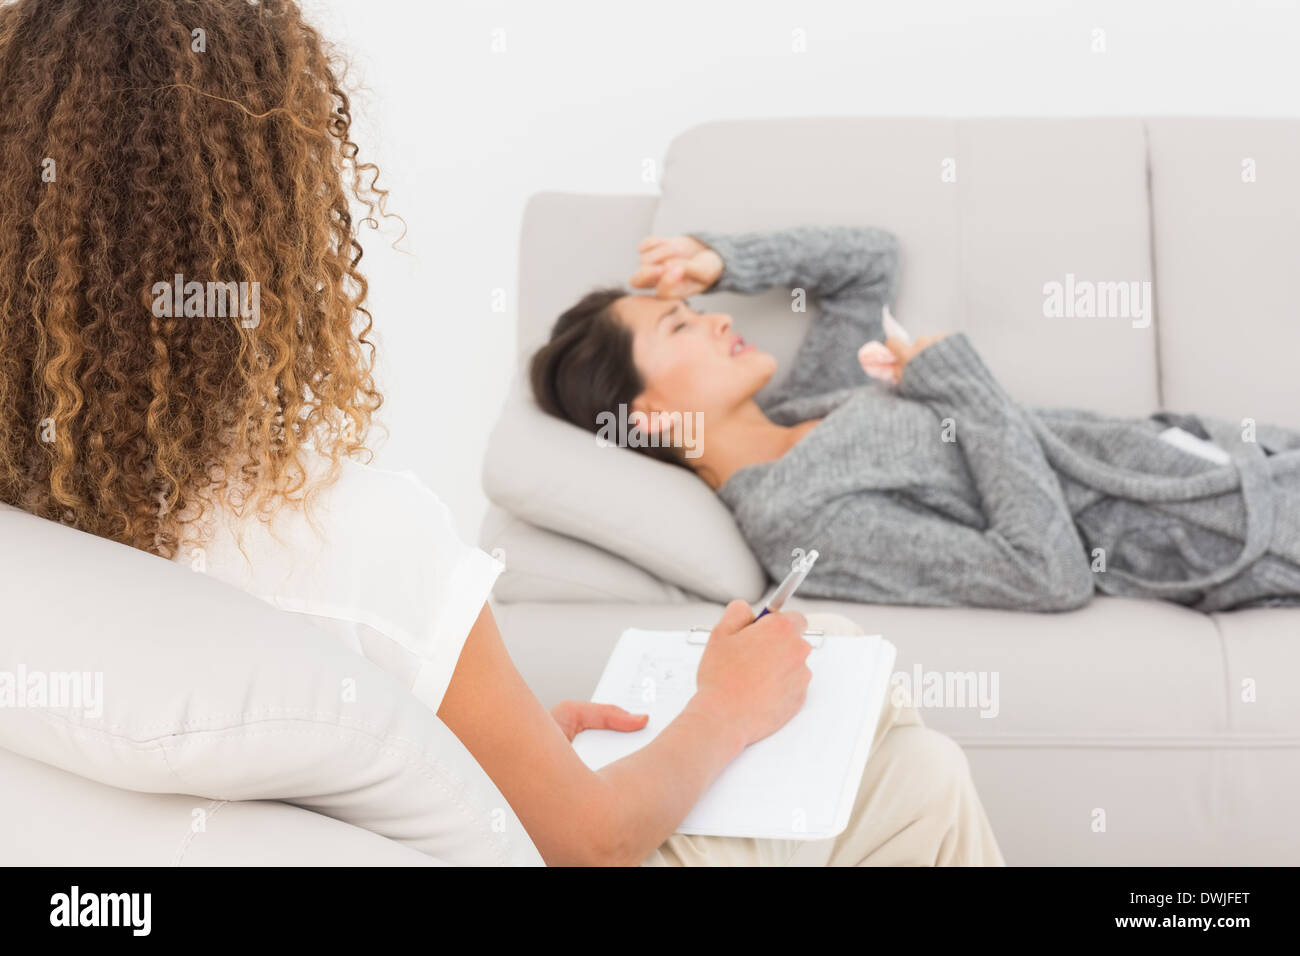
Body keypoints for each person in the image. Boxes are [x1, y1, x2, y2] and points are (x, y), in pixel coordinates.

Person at [0, 0, 1004, 866]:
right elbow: (590, 841)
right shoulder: (350, 533)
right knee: (905, 755)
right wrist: (723, 709)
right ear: (279, 221)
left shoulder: (31, 524)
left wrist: (452, 756)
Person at [531, 227, 1300, 613]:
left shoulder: (808, 406)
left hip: (1222, 452)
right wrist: (959, 384)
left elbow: (869, 260)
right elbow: (1048, 575)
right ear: (651, 415)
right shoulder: (798, 517)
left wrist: (725, 260)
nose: (711, 321)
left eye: (696, 308)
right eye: (677, 327)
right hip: (1224, 527)